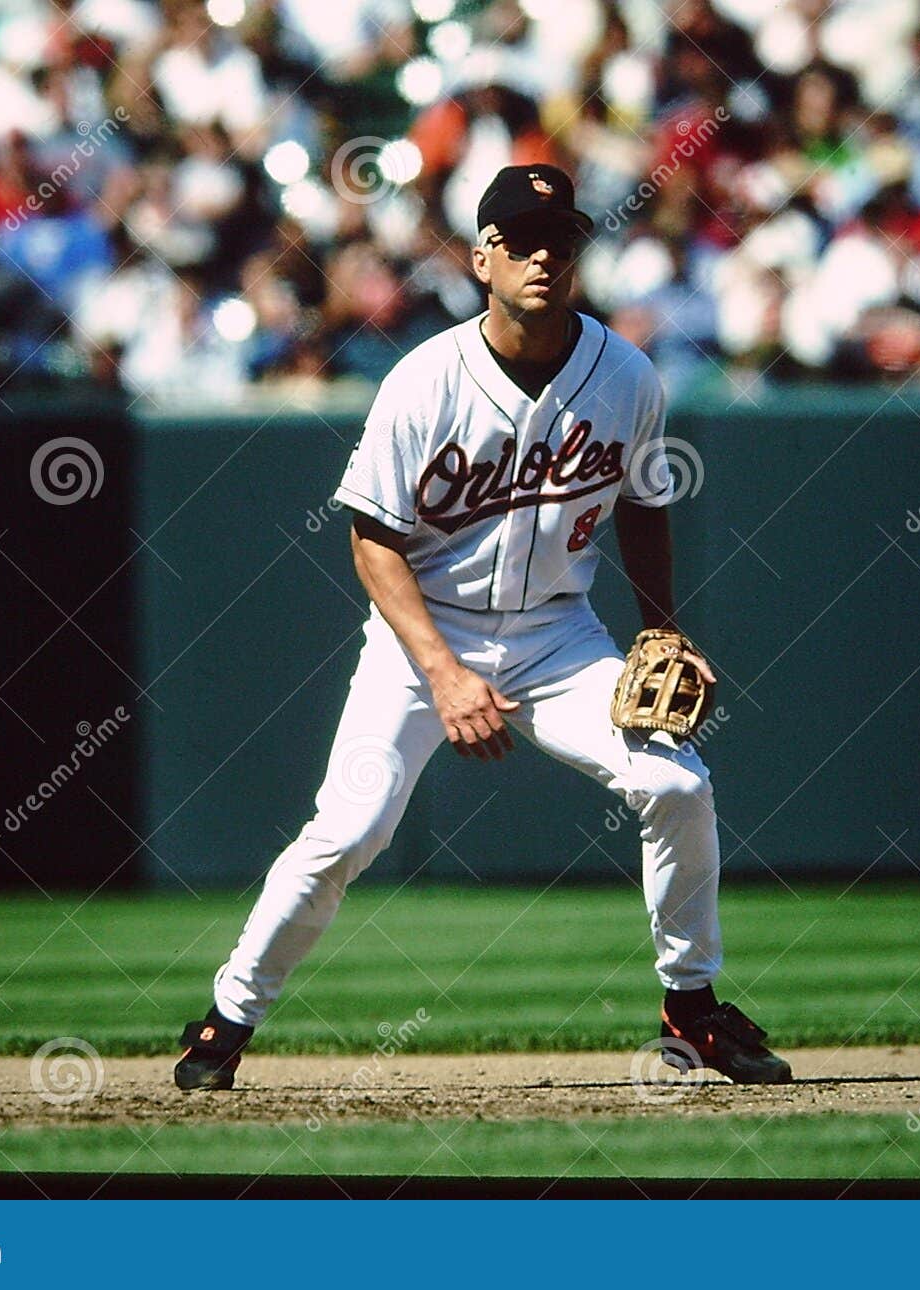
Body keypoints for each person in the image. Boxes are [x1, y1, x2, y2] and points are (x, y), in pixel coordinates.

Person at [173, 165, 792, 1091]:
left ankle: (691, 1006)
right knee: (351, 831)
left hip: (559, 634)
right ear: (482, 258)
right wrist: (445, 674)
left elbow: (645, 504)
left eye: (562, 240)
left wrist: (663, 628)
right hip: (424, 633)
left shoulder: (626, 375)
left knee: (675, 782)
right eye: (522, 239)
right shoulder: (424, 380)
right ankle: (227, 1018)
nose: (545, 255)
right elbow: (373, 542)